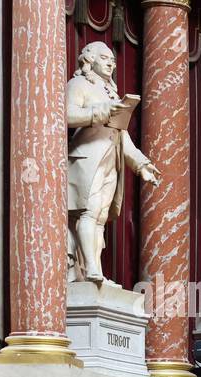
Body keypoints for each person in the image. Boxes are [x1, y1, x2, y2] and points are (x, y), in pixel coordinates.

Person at [66, 41, 159, 283]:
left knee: (100, 218)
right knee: (88, 213)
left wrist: (141, 165)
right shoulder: (79, 84)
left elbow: (121, 134)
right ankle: (90, 269)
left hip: (111, 160)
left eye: (113, 60)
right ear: (90, 60)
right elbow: (66, 114)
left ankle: (93, 270)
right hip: (88, 157)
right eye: (105, 58)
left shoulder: (111, 92)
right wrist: (101, 111)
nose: (111, 63)